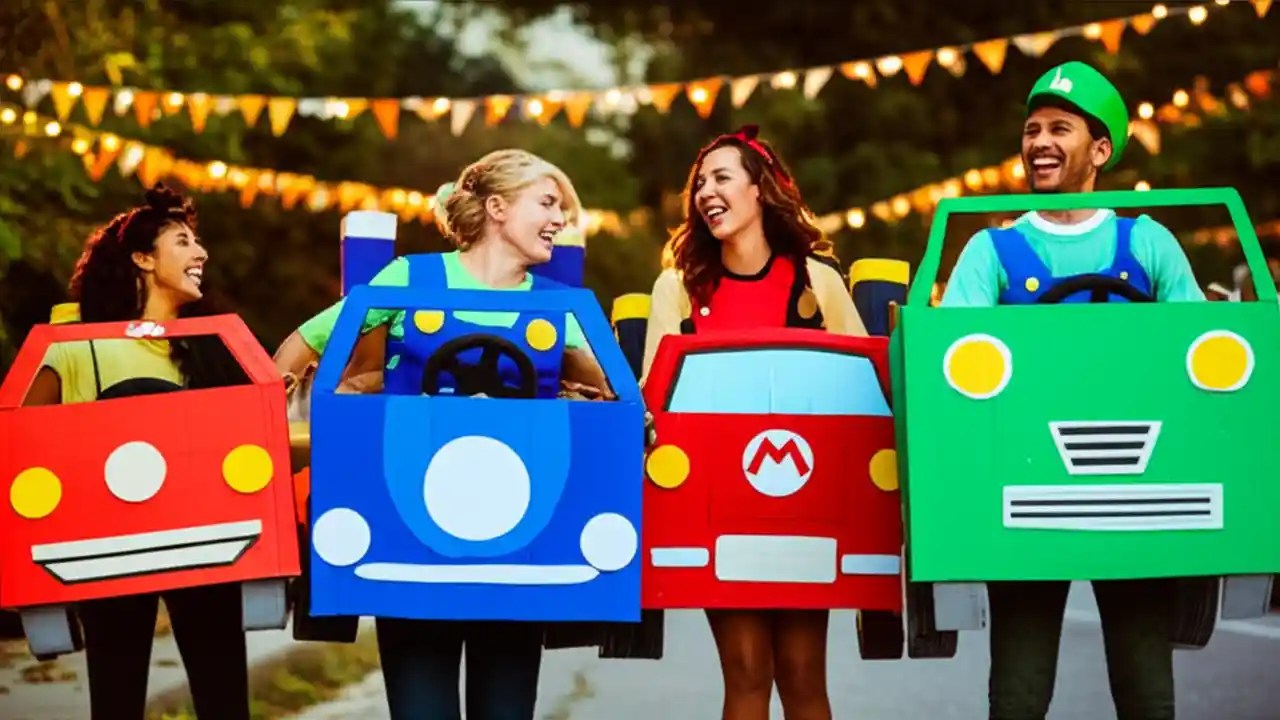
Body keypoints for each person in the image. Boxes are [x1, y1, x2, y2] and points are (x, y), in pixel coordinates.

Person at [277, 148, 608, 720]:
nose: (561, 219)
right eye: (548, 203)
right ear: (499, 207)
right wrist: (289, 417)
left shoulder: (562, 307)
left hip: (518, 545)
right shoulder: (408, 278)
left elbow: (611, 400)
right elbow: (300, 348)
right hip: (408, 532)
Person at [941, 61, 1204, 720]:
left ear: (1102, 150)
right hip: (1026, 487)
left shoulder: (1148, 242)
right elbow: (950, 366)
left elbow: (1198, 356)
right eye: (1032, 130)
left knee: (1147, 685)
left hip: (1138, 489)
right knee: (1020, 691)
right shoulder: (990, 251)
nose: (1039, 143)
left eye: (1060, 127)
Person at [641, 124, 867, 720]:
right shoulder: (679, 287)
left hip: (806, 500)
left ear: (759, 189)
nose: (705, 192)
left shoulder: (816, 280)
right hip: (720, 505)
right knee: (746, 671)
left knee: (802, 675)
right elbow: (656, 400)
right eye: (699, 183)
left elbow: (864, 387)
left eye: (721, 177)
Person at [23, 184, 253, 720]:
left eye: (198, 242)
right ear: (143, 259)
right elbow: (22, 440)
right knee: (116, 697)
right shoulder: (75, 345)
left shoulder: (213, 349)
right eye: (183, 241)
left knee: (225, 701)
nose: (201, 253)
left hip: (202, 546)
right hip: (110, 546)